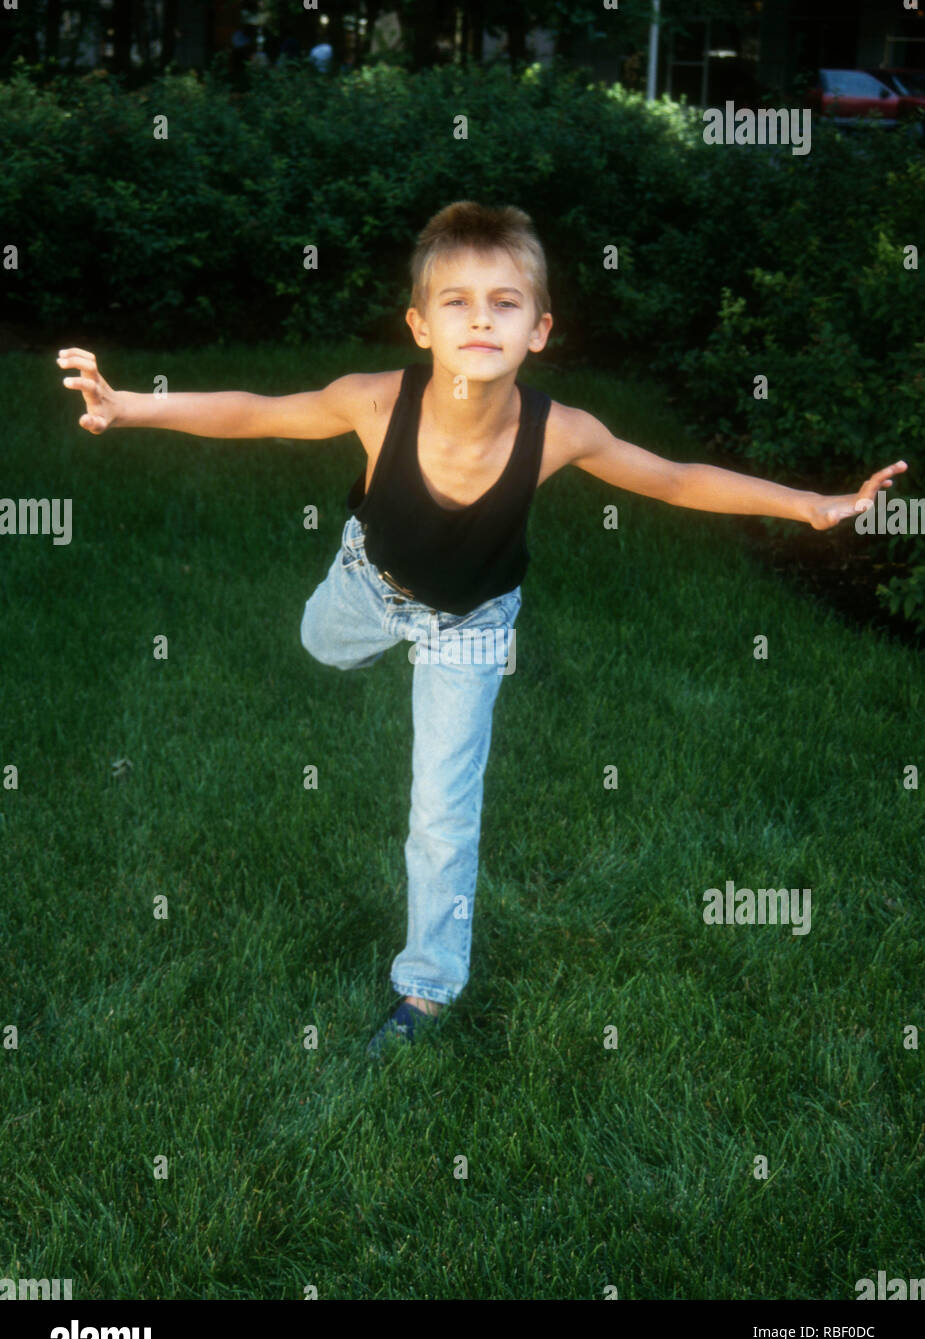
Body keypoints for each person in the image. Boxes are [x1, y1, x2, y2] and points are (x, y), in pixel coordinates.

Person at [55, 201, 907, 1057]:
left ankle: (425, 991)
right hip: (370, 585)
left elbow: (678, 479)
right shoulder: (374, 404)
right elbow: (254, 411)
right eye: (456, 302)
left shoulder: (560, 433)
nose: (480, 319)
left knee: (442, 814)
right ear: (420, 325)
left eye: (503, 303)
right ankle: (359, 586)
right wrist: (127, 406)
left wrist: (805, 504)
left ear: (539, 330)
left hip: (471, 621)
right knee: (319, 642)